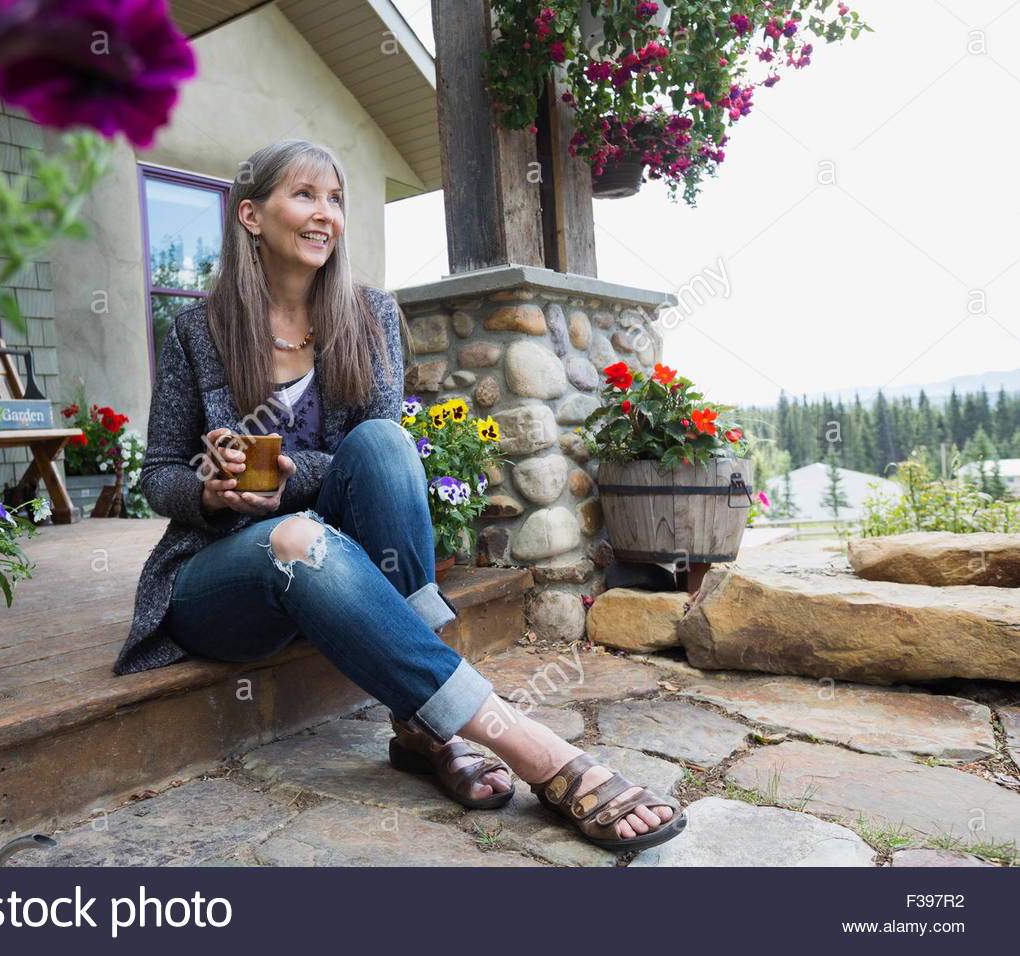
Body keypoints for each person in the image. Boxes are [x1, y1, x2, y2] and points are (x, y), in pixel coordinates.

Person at [113, 139, 685, 852]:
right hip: (223, 577)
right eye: (305, 195)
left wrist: (292, 471)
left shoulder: (370, 314)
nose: (325, 214)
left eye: (336, 199)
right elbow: (157, 472)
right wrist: (213, 493)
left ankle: (423, 726)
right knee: (296, 541)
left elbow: (365, 458)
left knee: (385, 444)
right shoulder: (198, 330)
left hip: (338, 567)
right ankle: (541, 753)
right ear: (252, 215)